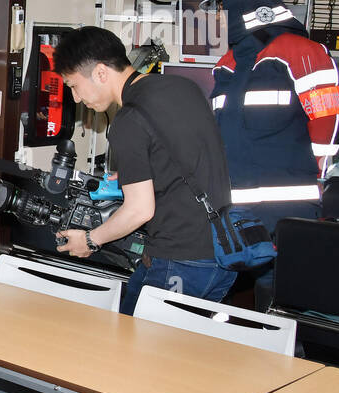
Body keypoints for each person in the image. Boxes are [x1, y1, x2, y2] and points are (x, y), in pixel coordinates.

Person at [52, 26, 236, 316]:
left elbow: (140, 210)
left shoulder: (128, 121)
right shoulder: (183, 87)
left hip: (183, 258)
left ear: (101, 72)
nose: (76, 98)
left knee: (137, 351)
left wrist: (89, 240)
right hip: (224, 252)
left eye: (74, 85)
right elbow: (186, 157)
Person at [202, 0, 339, 235]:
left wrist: (315, 177)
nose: (217, 17)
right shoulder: (226, 63)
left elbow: (329, 123)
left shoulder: (303, 52)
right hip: (235, 216)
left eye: (220, 7)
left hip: (288, 216)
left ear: (239, 4)